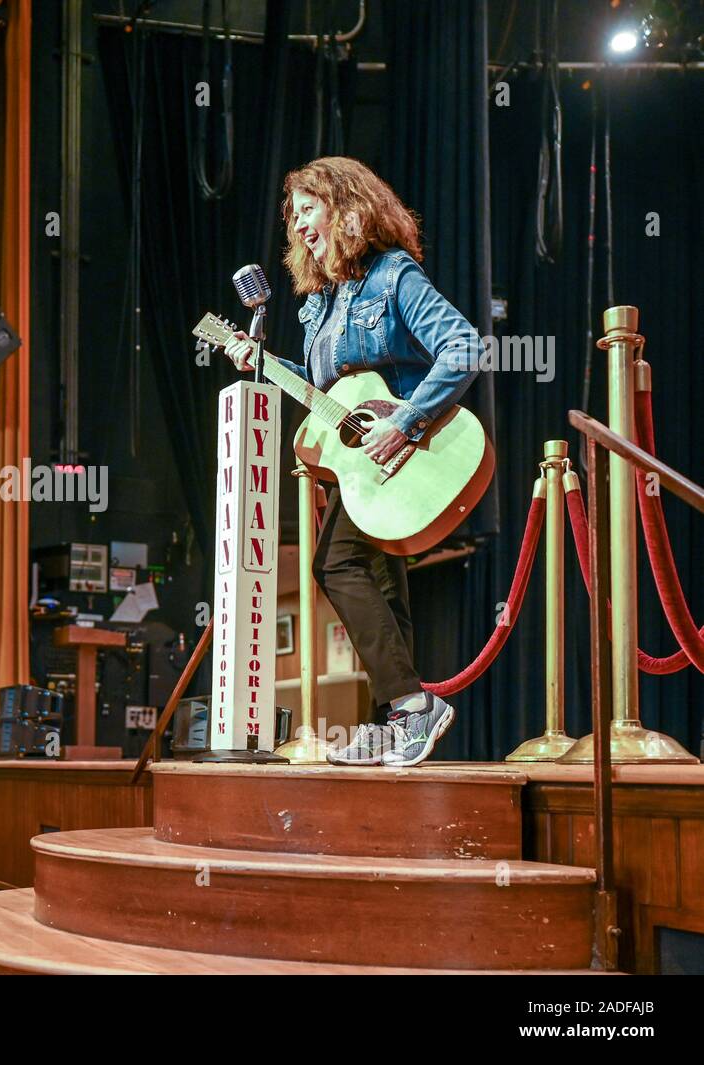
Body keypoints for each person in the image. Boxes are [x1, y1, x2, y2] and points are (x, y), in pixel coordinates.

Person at [223, 156, 482, 767]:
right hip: (363, 468)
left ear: (345, 203)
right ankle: (392, 721)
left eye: (308, 207)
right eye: (293, 216)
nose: (299, 224)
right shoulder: (321, 306)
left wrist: (405, 420)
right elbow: (327, 397)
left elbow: (464, 344)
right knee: (385, 589)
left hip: (407, 449)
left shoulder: (392, 276)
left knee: (333, 564)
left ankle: (415, 707)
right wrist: (261, 363)